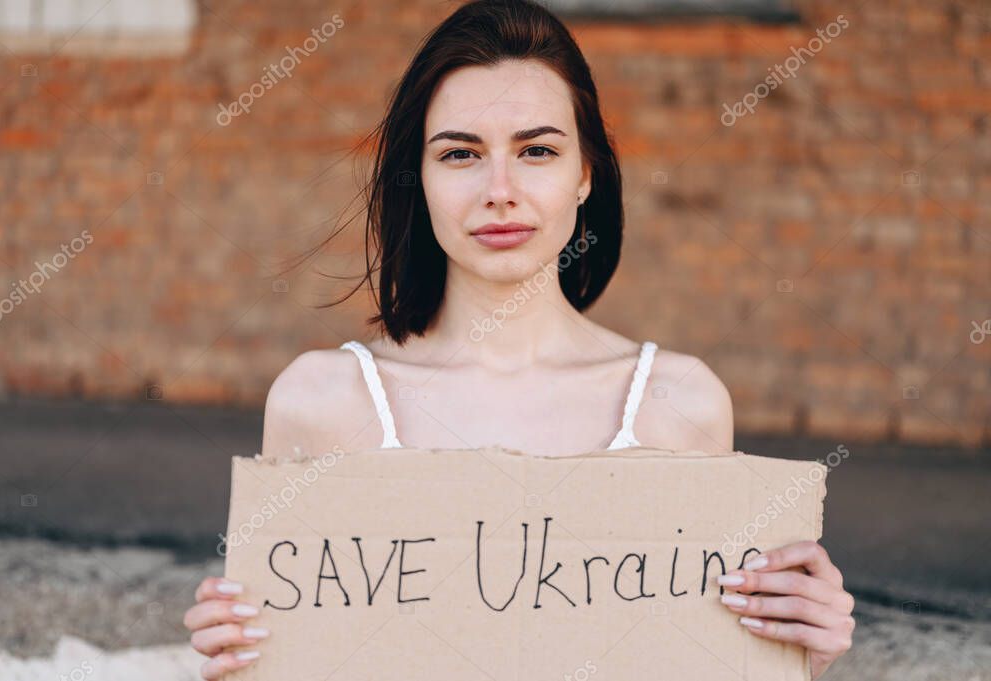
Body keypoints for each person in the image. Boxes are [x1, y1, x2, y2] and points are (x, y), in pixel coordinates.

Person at [182, 1, 854, 678]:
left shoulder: (679, 404)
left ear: (585, 173)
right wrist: (240, 666)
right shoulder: (319, 404)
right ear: (419, 178)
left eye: (537, 150)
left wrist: (794, 652)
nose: (499, 190)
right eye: (460, 154)